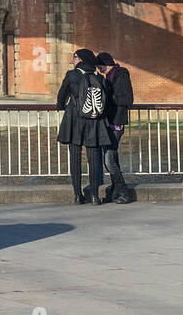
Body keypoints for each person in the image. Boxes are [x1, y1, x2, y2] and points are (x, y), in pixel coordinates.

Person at [56, 48, 112, 205]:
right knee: (94, 158)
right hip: (95, 120)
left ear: (80, 59)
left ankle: (77, 195)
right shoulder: (99, 77)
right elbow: (105, 98)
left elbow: (61, 96)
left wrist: (62, 106)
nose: (72, 60)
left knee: (75, 157)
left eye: (74, 57)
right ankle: (94, 196)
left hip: (74, 119)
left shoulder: (72, 75)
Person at [96, 51, 135, 204]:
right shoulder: (110, 76)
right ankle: (115, 191)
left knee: (109, 158)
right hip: (110, 122)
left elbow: (127, 98)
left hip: (116, 122)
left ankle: (123, 191)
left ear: (105, 63)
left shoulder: (120, 74)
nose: (98, 69)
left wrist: (107, 98)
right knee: (112, 158)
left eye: (99, 66)